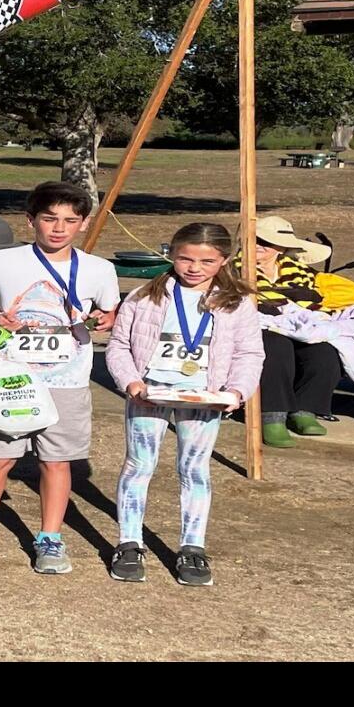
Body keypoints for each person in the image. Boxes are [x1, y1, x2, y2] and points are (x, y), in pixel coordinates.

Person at [0, 181, 120, 575]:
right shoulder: (4, 260)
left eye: (70, 220)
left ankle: (50, 538)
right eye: (49, 219)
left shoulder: (100, 269)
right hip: (12, 378)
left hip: (67, 380)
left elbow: (110, 312)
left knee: (56, 461)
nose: (58, 228)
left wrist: (104, 320)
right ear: (31, 220)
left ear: (83, 224)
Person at [105, 223, 264, 586]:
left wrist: (237, 392)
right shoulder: (145, 296)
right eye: (185, 259)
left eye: (207, 261)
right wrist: (130, 381)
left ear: (223, 260)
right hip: (150, 392)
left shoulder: (237, 302)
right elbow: (119, 345)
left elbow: (250, 352)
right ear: (171, 255)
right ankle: (129, 542)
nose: (194, 268)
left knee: (194, 469)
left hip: (203, 397)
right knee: (140, 464)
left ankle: (192, 547)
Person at [238, 216, 343, 448]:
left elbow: (312, 299)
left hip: (299, 323)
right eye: (253, 240)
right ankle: (272, 414)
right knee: (276, 346)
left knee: (324, 352)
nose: (258, 246)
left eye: (266, 242)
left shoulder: (299, 271)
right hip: (255, 323)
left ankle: (306, 409)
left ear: (282, 248)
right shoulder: (237, 267)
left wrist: (294, 311)